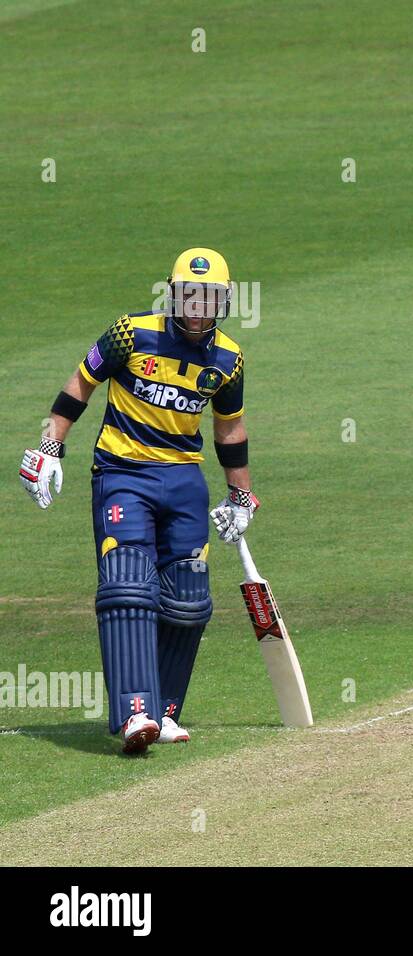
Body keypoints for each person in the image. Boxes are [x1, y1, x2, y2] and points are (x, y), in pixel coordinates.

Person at [19, 249, 257, 754]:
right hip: (124, 474)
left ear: (224, 301)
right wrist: (49, 445)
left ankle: (165, 712)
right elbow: (82, 381)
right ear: (173, 295)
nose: (198, 306)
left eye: (209, 297)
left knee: (189, 602)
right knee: (127, 585)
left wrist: (241, 496)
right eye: (189, 295)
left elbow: (229, 429)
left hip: (185, 481)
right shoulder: (131, 333)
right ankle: (135, 712)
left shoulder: (228, 359)